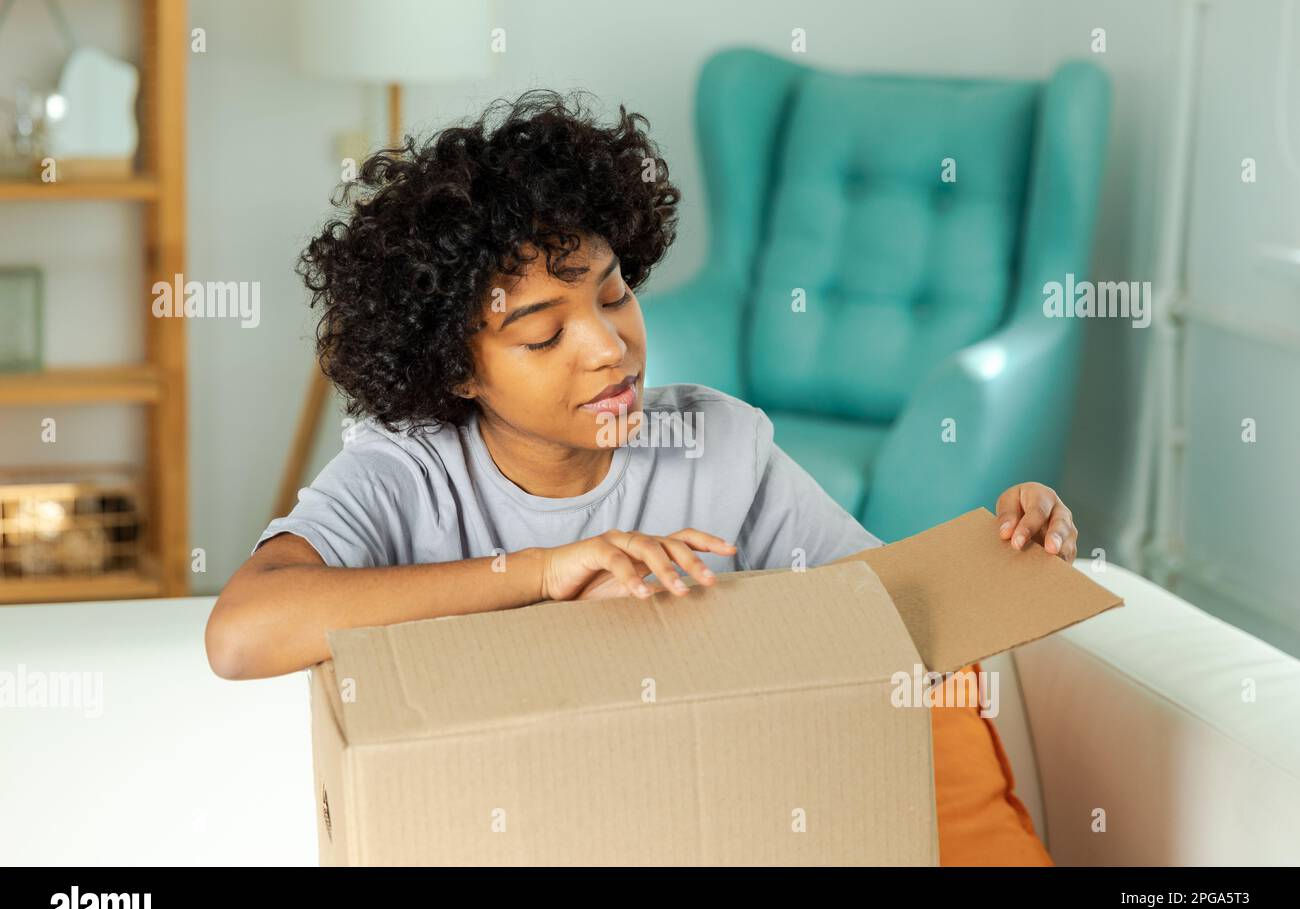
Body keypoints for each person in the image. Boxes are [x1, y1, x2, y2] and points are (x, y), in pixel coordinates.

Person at [205, 90, 1077, 682]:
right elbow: (242, 634)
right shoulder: (409, 474)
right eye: (543, 333)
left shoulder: (720, 446)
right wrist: (544, 576)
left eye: (615, 293)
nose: (607, 346)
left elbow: (890, 606)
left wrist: (1007, 546)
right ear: (457, 368)